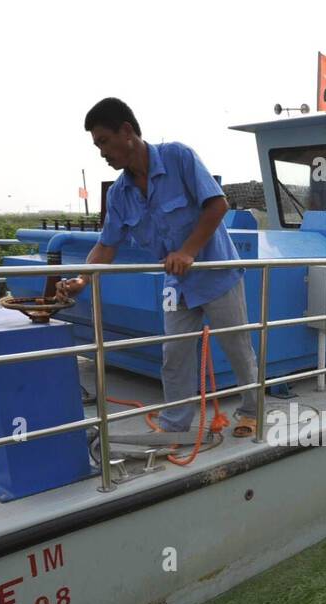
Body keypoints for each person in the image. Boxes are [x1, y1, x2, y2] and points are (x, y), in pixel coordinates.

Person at [57, 98, 259, 437]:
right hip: (176, 283)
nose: (102, 152)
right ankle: (175, 425)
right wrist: (82, 279)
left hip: (217, 274)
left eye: (104, 142)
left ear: (127, 132)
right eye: (97, 146)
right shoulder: (120, 194)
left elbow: (217, 204)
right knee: (174, 353)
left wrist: (188, 251)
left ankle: (251, 411)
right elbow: (106, 245)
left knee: (236, 346)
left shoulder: (178, 157)